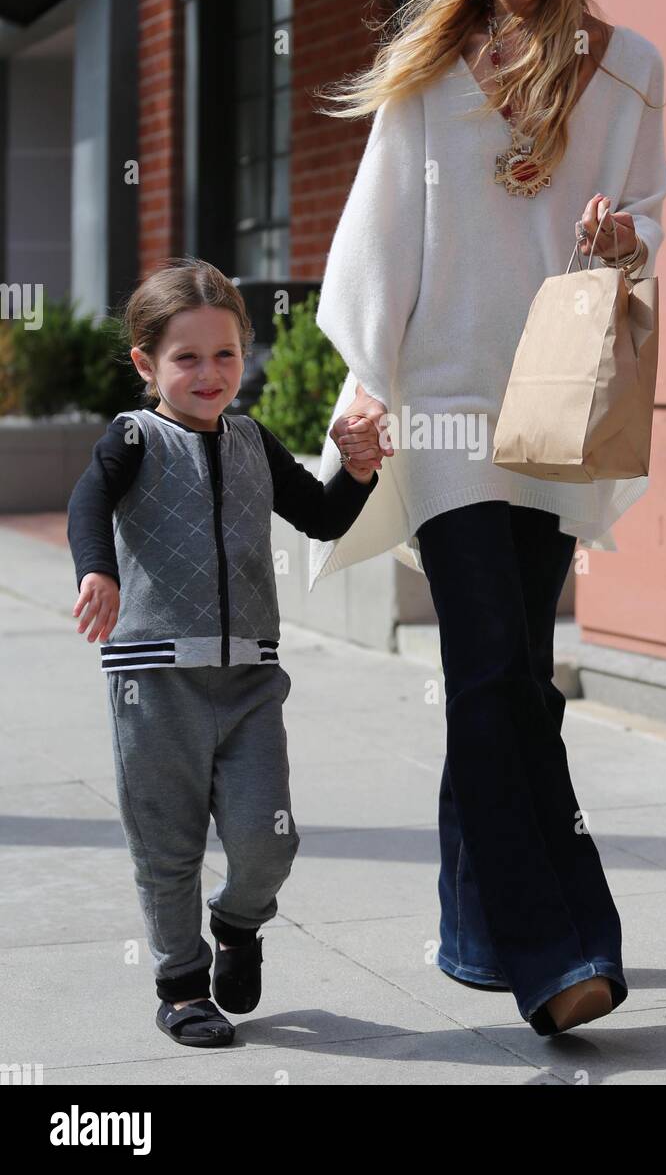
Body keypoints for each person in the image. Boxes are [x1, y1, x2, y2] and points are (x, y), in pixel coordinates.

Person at [307, 0, 666, 1036]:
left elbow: (652, 213)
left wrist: (631, 240)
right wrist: (365, 378)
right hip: (447, 401)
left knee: (516, 682)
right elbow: (377, 232)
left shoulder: (628, 69)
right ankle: (557, 952)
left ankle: (475, 925)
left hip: (553, 397)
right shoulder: (430, 63)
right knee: (487, 674)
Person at [66, 258, 382, 1047]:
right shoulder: (134, 437)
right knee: (166, 844)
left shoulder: (251, 440)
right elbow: (87, 500)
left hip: (248, 682)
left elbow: (320, 515)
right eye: (186, 358)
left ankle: (239, 923)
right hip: (154, 682)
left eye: (226, 354)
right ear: (147, 364)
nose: (210, 374)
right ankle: (180, 986)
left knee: (266, 838)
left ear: (245, 352)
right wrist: (97, 569)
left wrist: (360, 471)